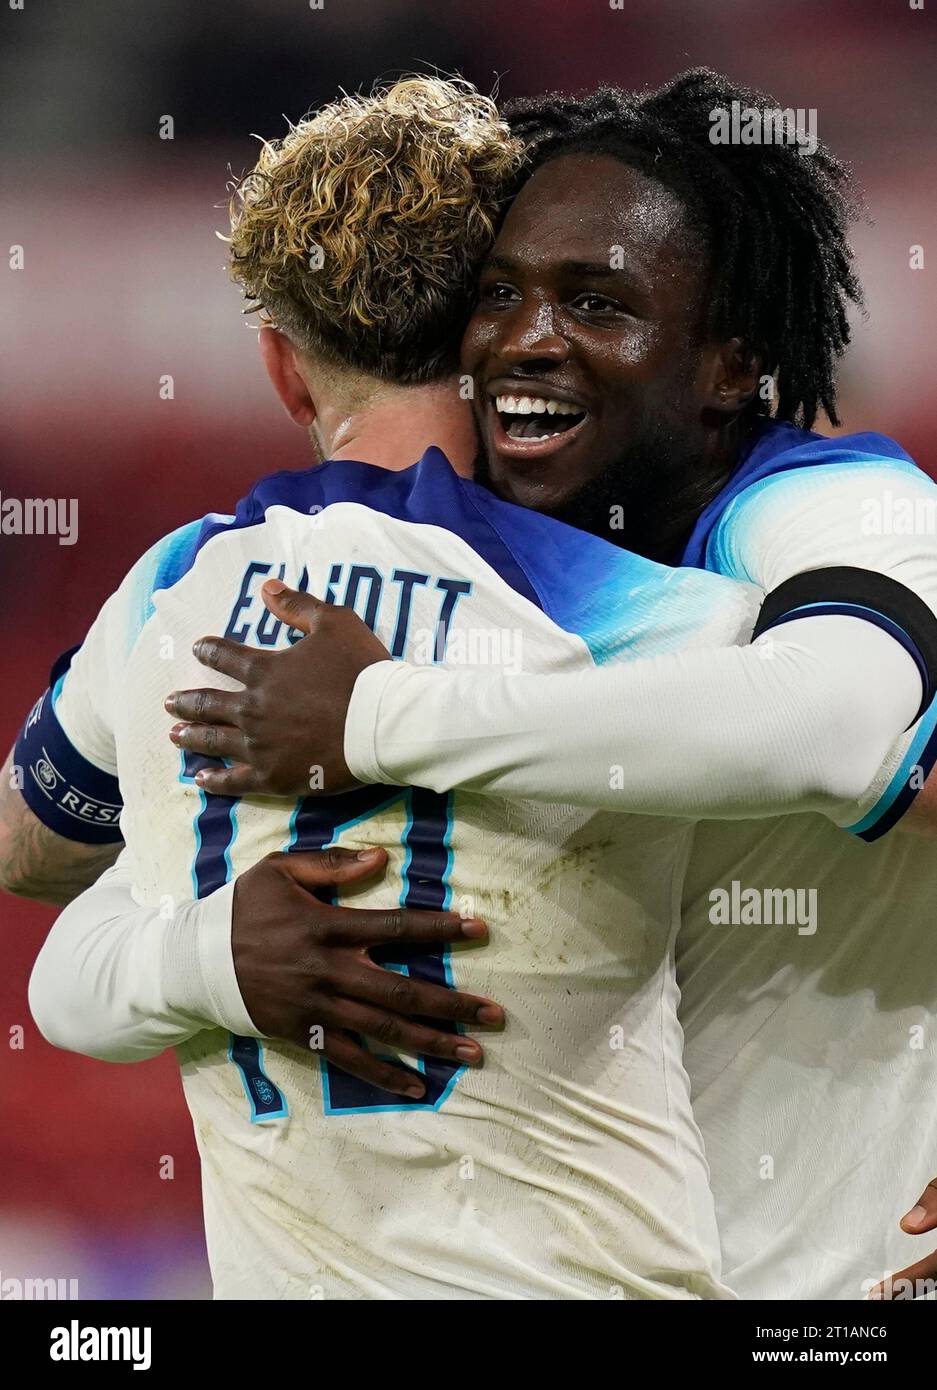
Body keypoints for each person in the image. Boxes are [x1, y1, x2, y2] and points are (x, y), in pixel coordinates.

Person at [159, 74, 937, 1299]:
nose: (525, 338)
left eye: (595, 303)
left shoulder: (835, 511)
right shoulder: (453, 563)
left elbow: (837, 723)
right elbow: (42, 836)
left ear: (731, 365)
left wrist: (375, 722)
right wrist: (195, 959)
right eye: (499, 296)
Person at [17, 75, 768, 1300]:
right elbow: (878, 767)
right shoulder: (665, 610)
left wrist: (194, 940)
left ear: (281, 366)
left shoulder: (163, 596)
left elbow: (32, 855)